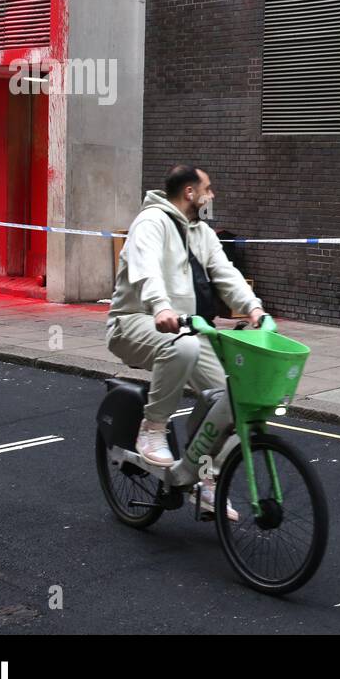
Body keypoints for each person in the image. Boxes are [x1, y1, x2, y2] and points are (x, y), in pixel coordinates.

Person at [105, 165, 265, 520]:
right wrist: (161, 306)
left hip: (186, 328)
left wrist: (254, 309)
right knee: (184, 345)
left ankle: (206, 478)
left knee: (234, 399)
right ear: (190, 192)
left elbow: (225, 273)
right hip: (134, 321)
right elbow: (144, 267)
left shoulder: (202, 233)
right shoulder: (151, 222)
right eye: (208, 188)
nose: (213, 195)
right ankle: (153, 428)